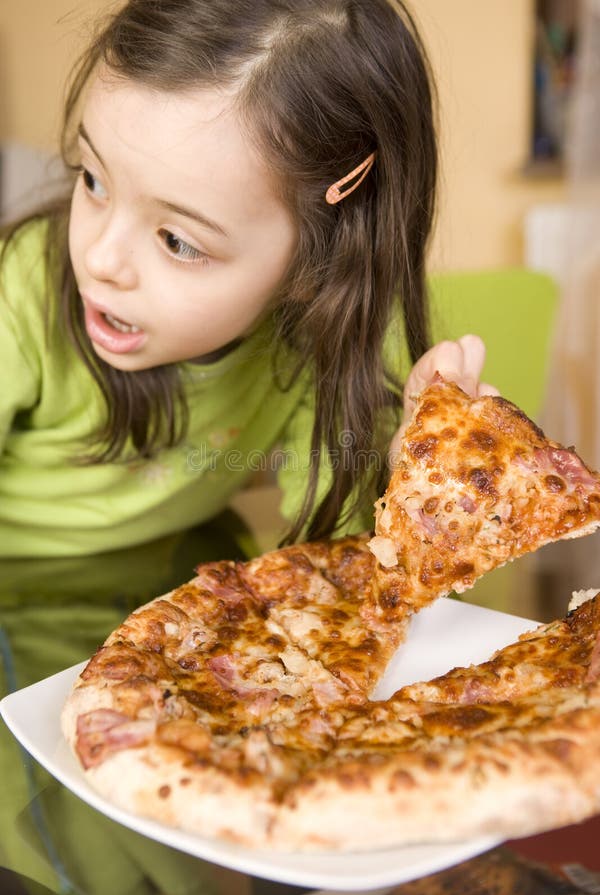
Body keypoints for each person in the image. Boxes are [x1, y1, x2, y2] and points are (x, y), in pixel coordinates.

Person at [0, 0, 492, 559]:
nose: (100, 259)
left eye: (177, 242)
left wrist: (411, 493)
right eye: (92, 179)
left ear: (317, 265)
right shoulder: (19, 293)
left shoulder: (315, 339)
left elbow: (339, 570)